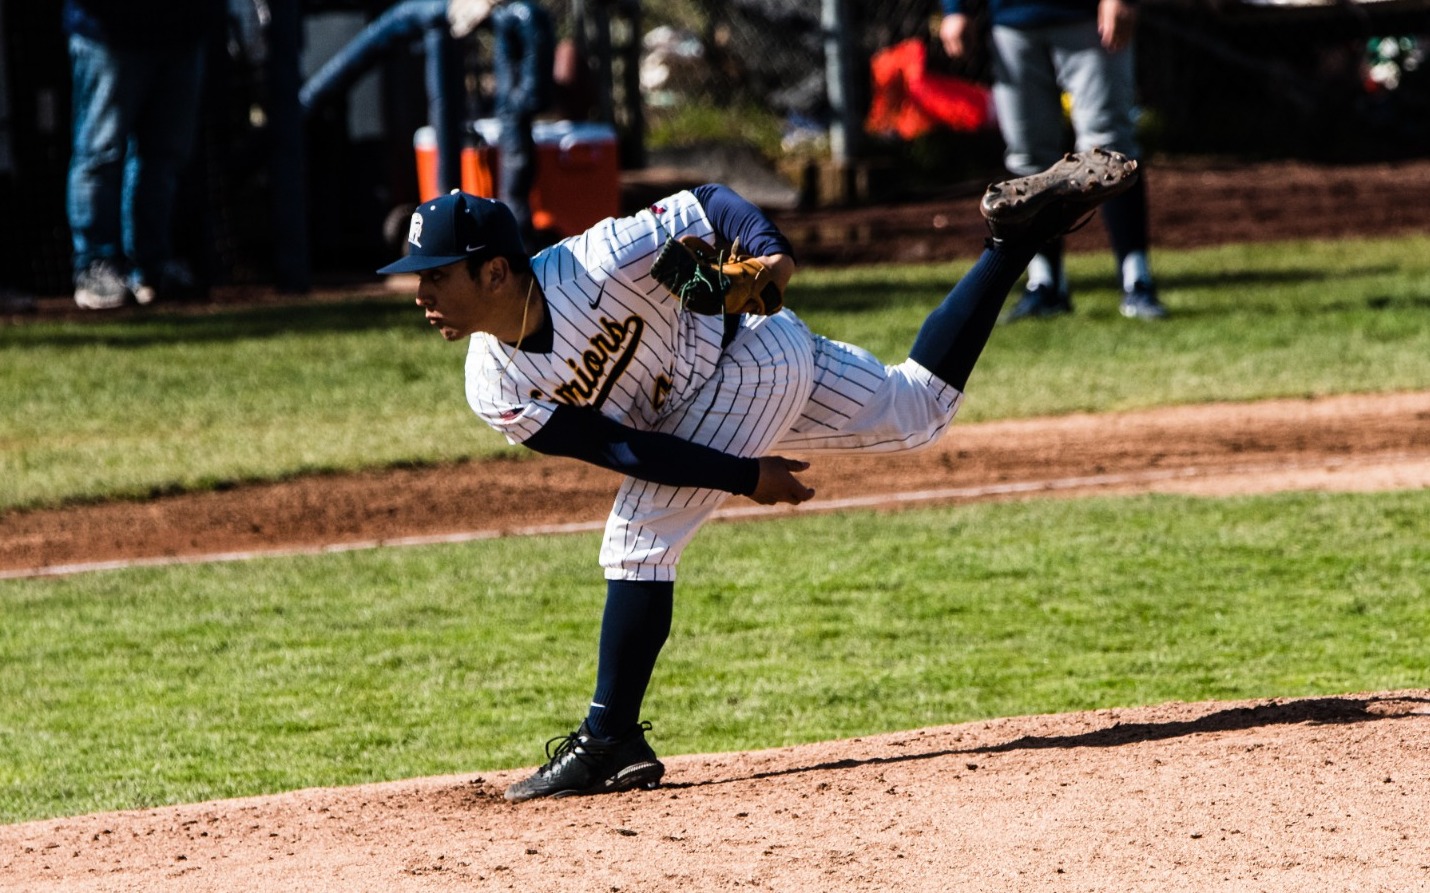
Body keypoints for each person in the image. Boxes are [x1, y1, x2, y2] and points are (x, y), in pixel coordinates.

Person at [378, 148, 1139, 802]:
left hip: (754, 354)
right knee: (920, 409)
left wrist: (769, 255)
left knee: (637, 540)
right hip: (755, 373)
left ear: (496, 271)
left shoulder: (600, 258)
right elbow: (624, 450)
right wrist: (746, 475)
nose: (419, 296)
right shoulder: (494, 385)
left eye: (434, 277)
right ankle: (1010, 244)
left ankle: (610, 737)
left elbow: (713, 204)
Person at [939, 0, 1167, 321]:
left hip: (1087, 17)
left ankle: (1136, 279)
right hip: (1010, 20)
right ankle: (1044, 282)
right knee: (1027, 154)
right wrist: (954, 8)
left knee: (1108, 150)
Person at [63, 0, 218, 310]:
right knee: (100, 156)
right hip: (109, 34)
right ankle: (96, 265)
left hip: (182, 33)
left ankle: (152, 268)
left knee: (164, 159)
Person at [448, 0, 555, 244]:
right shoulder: (511, 20)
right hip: (513, 121)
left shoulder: (524, 15)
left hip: (516, 122)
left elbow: (536, 87)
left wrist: (516, 106)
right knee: (513, 189)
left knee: (516, 190)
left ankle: (521, 250)